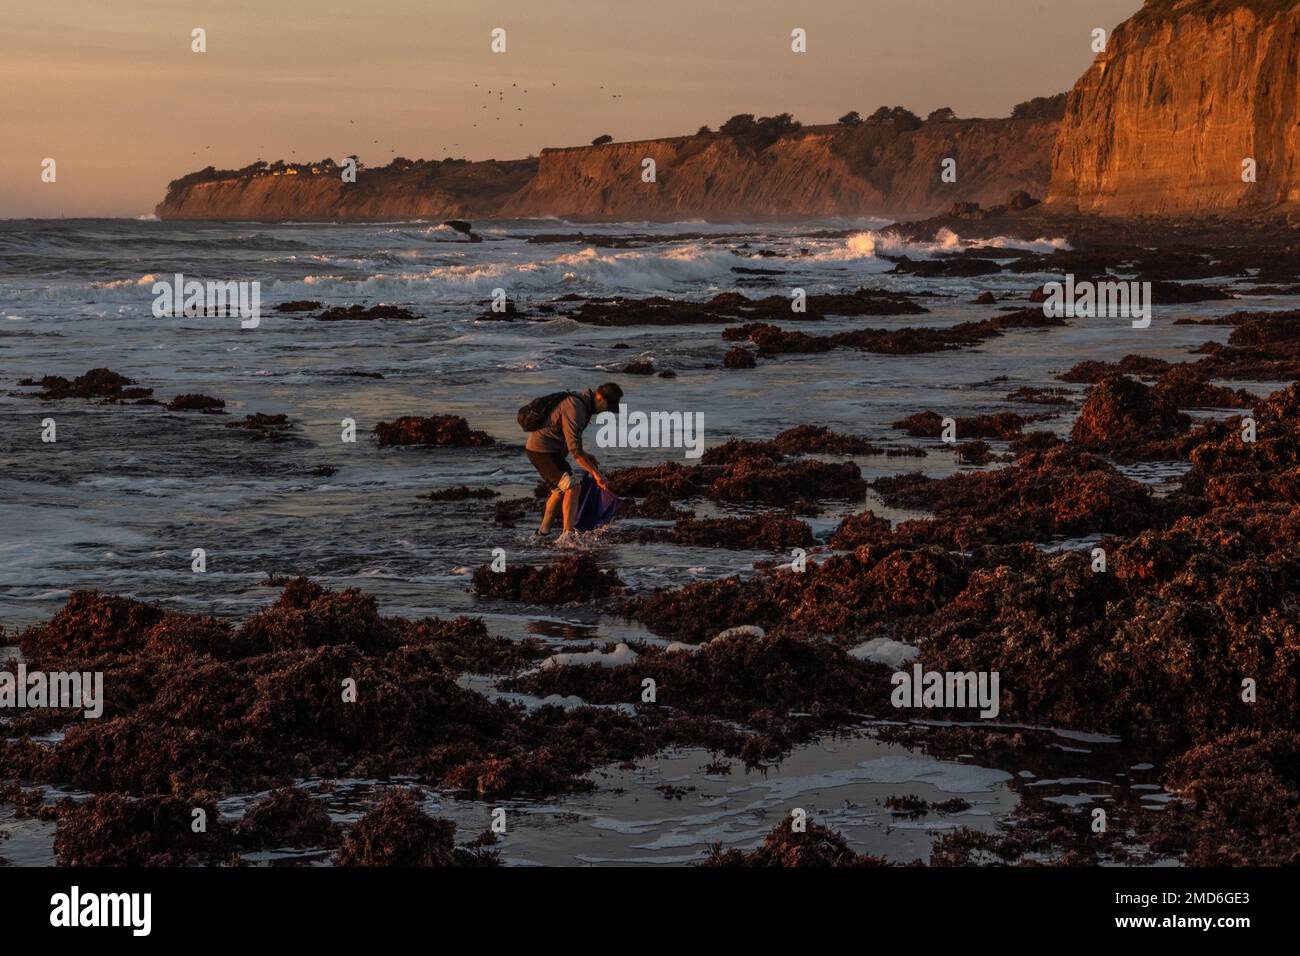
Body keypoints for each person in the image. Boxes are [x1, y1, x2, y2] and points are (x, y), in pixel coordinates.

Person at [525, 382, 623, 540]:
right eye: (608, 406)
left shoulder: (583, 404)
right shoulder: (576, 407)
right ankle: (567, 536)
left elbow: (572, 442)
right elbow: (575, 450)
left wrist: (586, 455)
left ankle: (542, 533)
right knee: (573, 487)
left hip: (551, 451)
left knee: (559, 491)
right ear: (600, 397)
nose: (607, 411)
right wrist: (596, 474)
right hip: (542, 451)